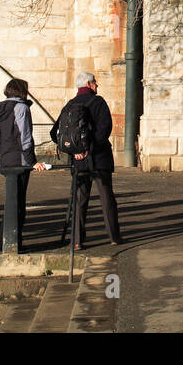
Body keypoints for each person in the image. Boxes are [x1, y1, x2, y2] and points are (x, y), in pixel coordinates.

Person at [59, 72, 123, 250]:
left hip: (78, 162)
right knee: (106, 199)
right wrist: (89, 149)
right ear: (89, 83)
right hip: (99, 158)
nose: (97, 85)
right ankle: (114, 237)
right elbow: (105, 128)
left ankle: (77, 240)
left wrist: (76, 151)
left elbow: (55, 132)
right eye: (95, 82)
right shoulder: (98, 102)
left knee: (80, 200)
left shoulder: (70, 104)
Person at [0, 78, 37, 247]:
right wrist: (32, 161)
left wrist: (3, 150)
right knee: (18, 204)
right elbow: (24, 137)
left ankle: (5, 242)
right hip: (20, 160)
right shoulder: (22, 108)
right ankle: (8, 243)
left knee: (11, 201)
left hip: (7, 159)